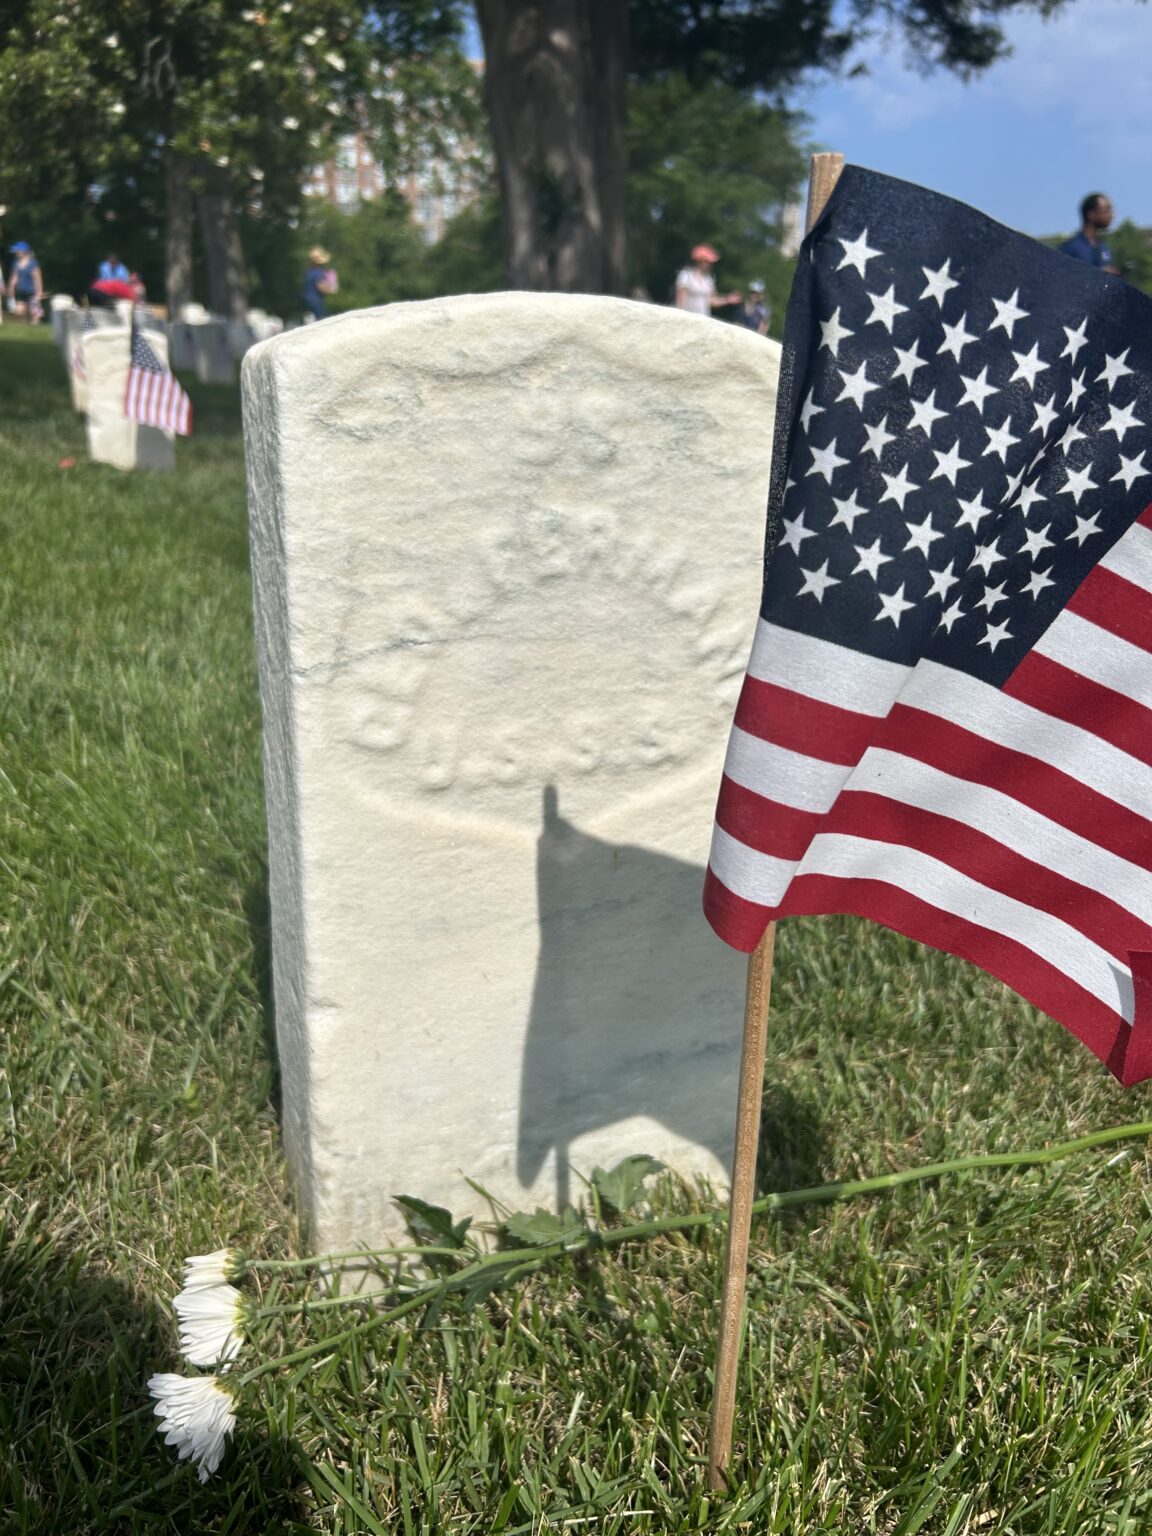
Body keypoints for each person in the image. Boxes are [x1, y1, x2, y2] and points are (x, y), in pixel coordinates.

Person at [1059, 194, 1121, 274]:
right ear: (1091, 214)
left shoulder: (1104, 248)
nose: (1111, 215)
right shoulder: (1071, 248)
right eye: (1106, 211)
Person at [674, 244, 740, 316]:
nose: (711, 264)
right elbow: (680, 303)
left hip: (703, 320)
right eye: (709, 262)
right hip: (688, 318)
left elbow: (712, 301)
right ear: (700, 261)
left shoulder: (708, 279)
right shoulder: (686, 276)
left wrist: (728, 299)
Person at [7, 241, 43, 321]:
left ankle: (35, 327)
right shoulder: (16, 263)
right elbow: (15, 277)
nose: (16, 253)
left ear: (24, 252)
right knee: (18, 312)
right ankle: (24, 327)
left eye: (18, 251)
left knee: (34, 313)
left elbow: (37, 278)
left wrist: (39, 291)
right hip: (21, 291)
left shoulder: (33, 263)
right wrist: (11, 287)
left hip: (32, 291)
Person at [301, 245, 338, 321]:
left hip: (306, 300)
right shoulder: (318, 273)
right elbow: (321, 286)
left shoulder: (308, 272)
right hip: (315, 301)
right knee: (321, 319)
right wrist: (332, 288)